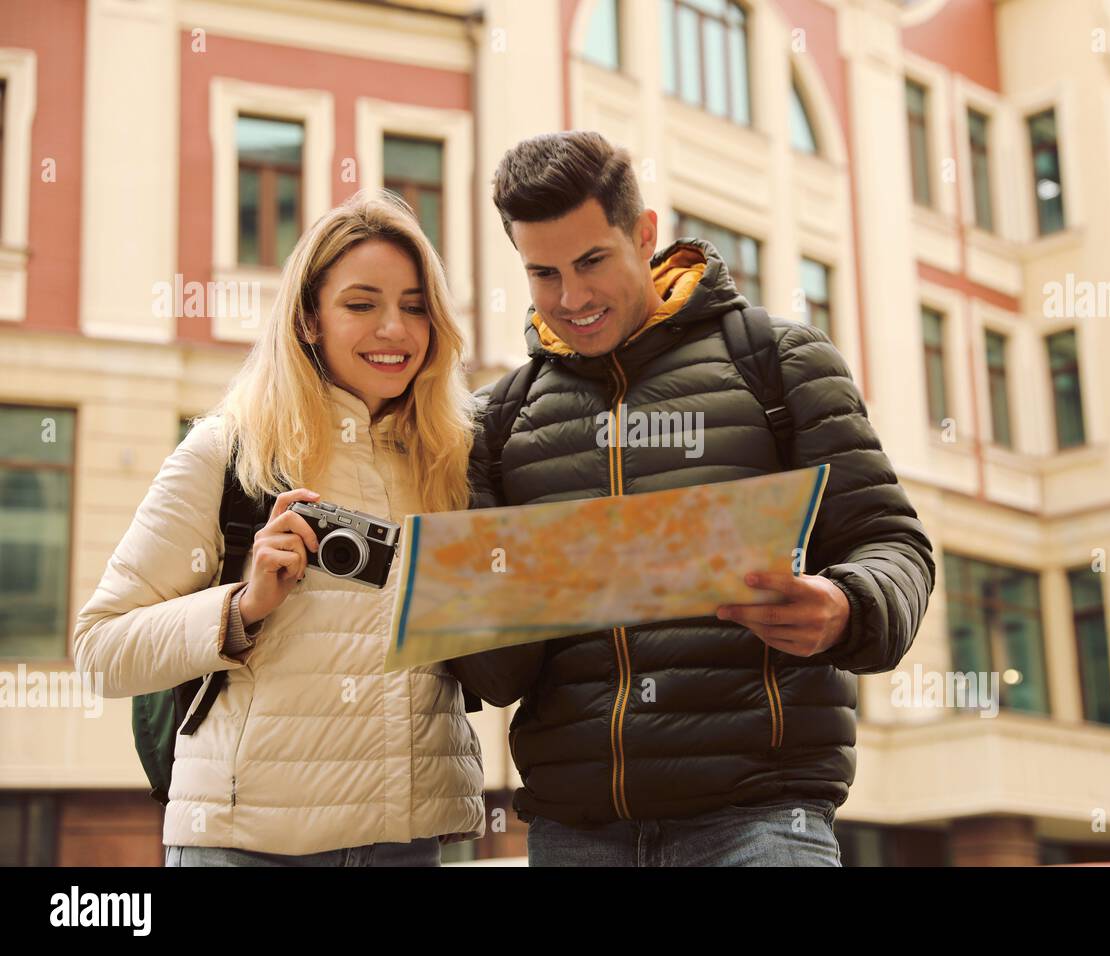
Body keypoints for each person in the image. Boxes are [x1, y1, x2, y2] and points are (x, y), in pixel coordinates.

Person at [450, 130, 935, 866]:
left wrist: (847, 605)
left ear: (643, 235)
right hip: (575, 833)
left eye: (592, 262)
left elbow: (894, 543)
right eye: (543, 273)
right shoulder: (501, 422)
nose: (572, 298)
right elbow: (499, 671)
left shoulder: (778, 364)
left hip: (762, 821)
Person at [74, 191, 484, 866]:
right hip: (248, 850)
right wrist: (241, 606)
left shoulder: (450, 464)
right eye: (361, 304)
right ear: (309, 320)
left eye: (415, 306)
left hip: (401, 849)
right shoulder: (230, 449)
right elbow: (99, 649)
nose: (395, 329)